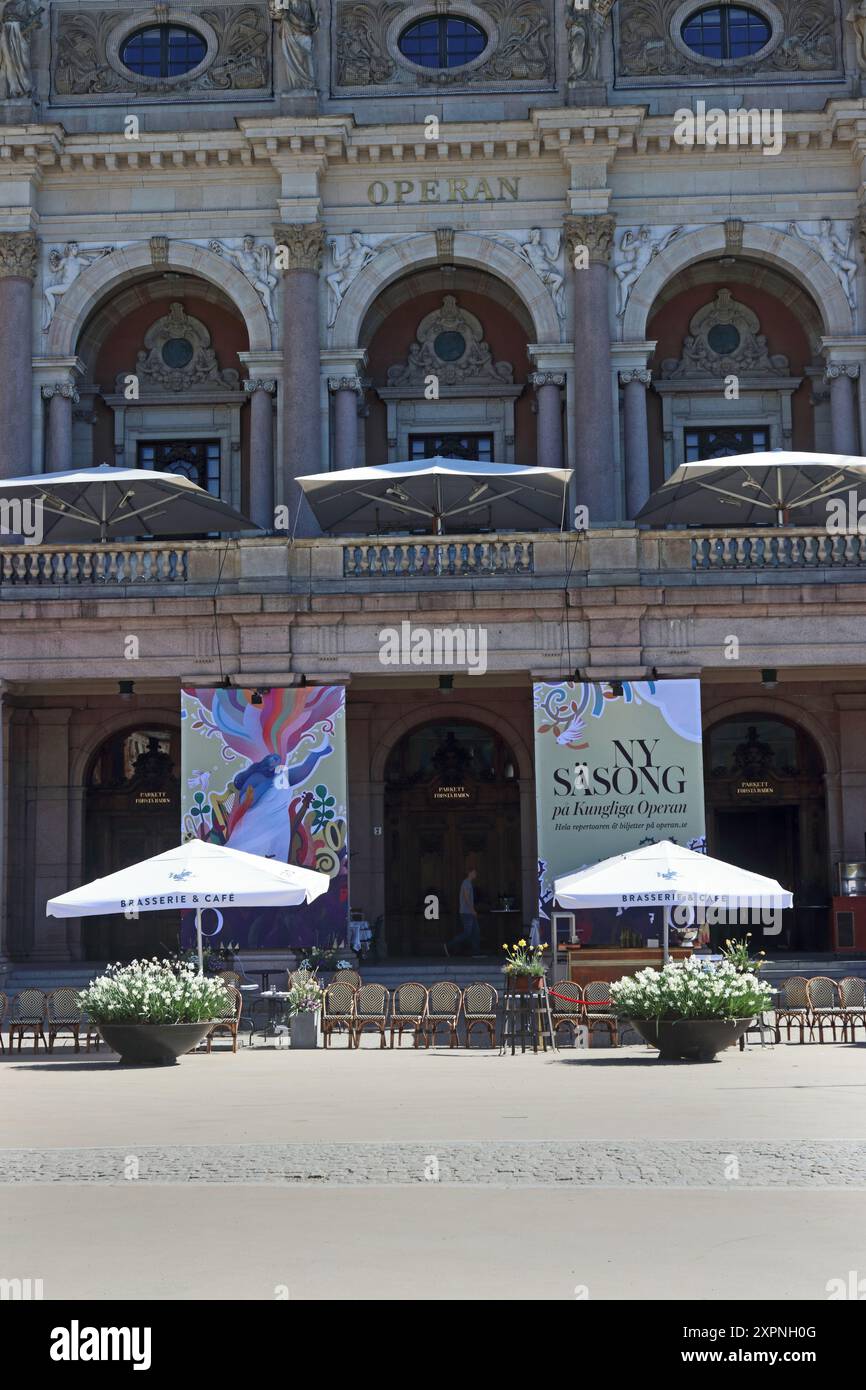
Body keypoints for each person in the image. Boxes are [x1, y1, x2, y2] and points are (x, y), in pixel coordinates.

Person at [445, 868, 482, 957]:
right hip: (467, 913)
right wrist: (472, 910)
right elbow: (466, 898)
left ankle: (476, 952)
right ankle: (448, 946)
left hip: (469, 912)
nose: (475, 874)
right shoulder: (466, 883)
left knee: (476, 932)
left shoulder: (468, 883)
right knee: (467, 933)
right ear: (470, 873)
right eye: (474, 872)